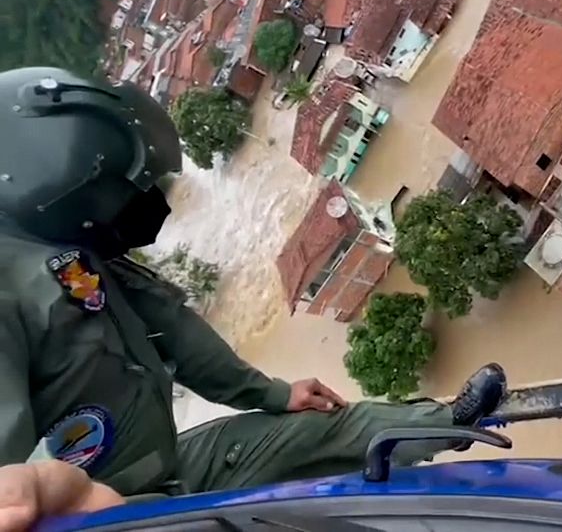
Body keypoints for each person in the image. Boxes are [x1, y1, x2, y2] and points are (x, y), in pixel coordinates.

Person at [0, 67, 507, 496]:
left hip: (171, 468)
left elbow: (170, 327)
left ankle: (447, 425)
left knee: (320, 428)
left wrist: (272, 393)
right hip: (115, 514)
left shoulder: (61, 245)